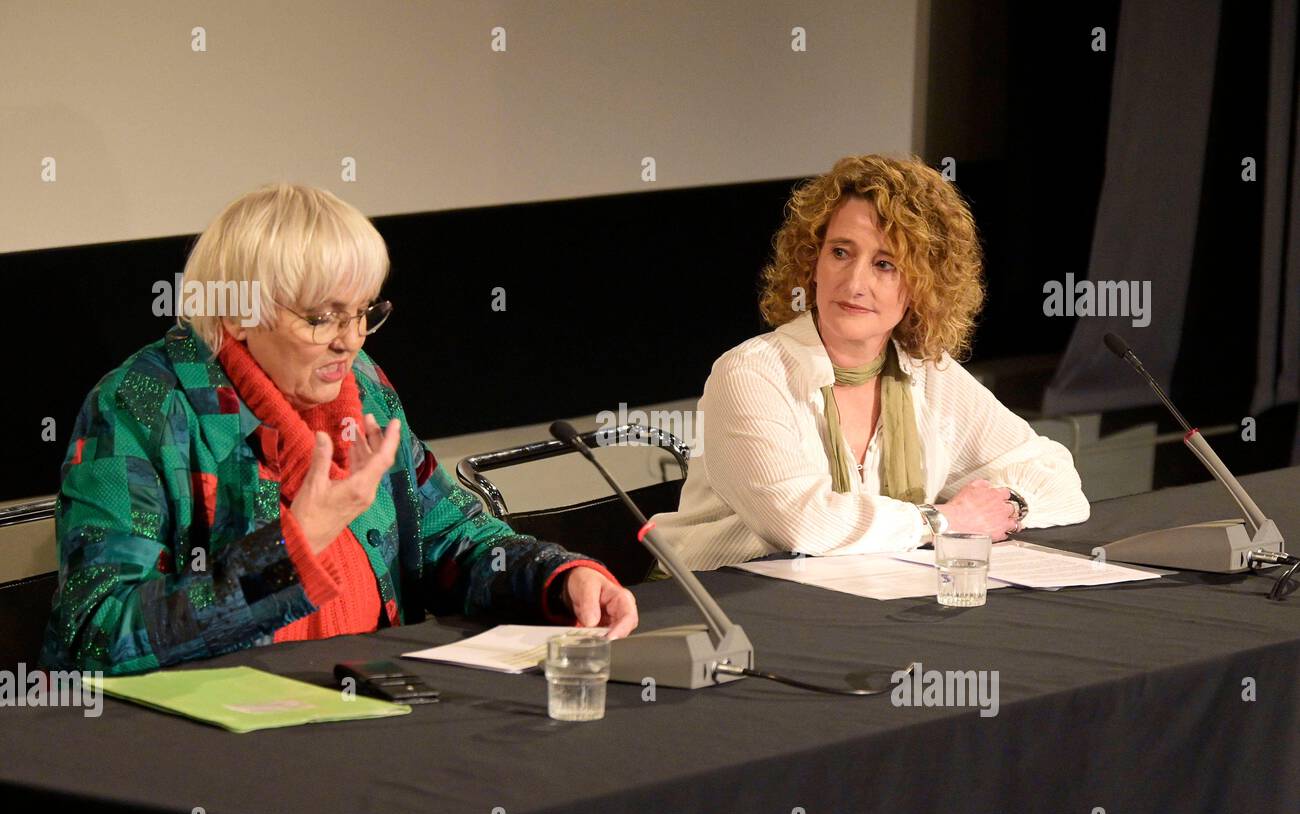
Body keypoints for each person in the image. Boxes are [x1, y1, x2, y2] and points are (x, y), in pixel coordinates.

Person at [42, 184, 637, 675]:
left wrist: (560, 579)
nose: (349, 340)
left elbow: (449, 538)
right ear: (236, 316)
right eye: (321, 317)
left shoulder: (364, 388)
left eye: (363, 313)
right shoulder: (141, 405)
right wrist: (295, 544)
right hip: (212, 745)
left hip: (365, 701)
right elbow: (96, 636)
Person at [652, 154, 1090, 570]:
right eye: (840, 252)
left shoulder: (926, 374)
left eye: (885, 264)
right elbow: (801, 523)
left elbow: (1058, 479)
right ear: (812, 262)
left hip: (854, 597)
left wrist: (1005, 506)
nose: (855, 283)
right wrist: (944, 521)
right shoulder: (751, 375)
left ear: (924, 285)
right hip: (716, 605)